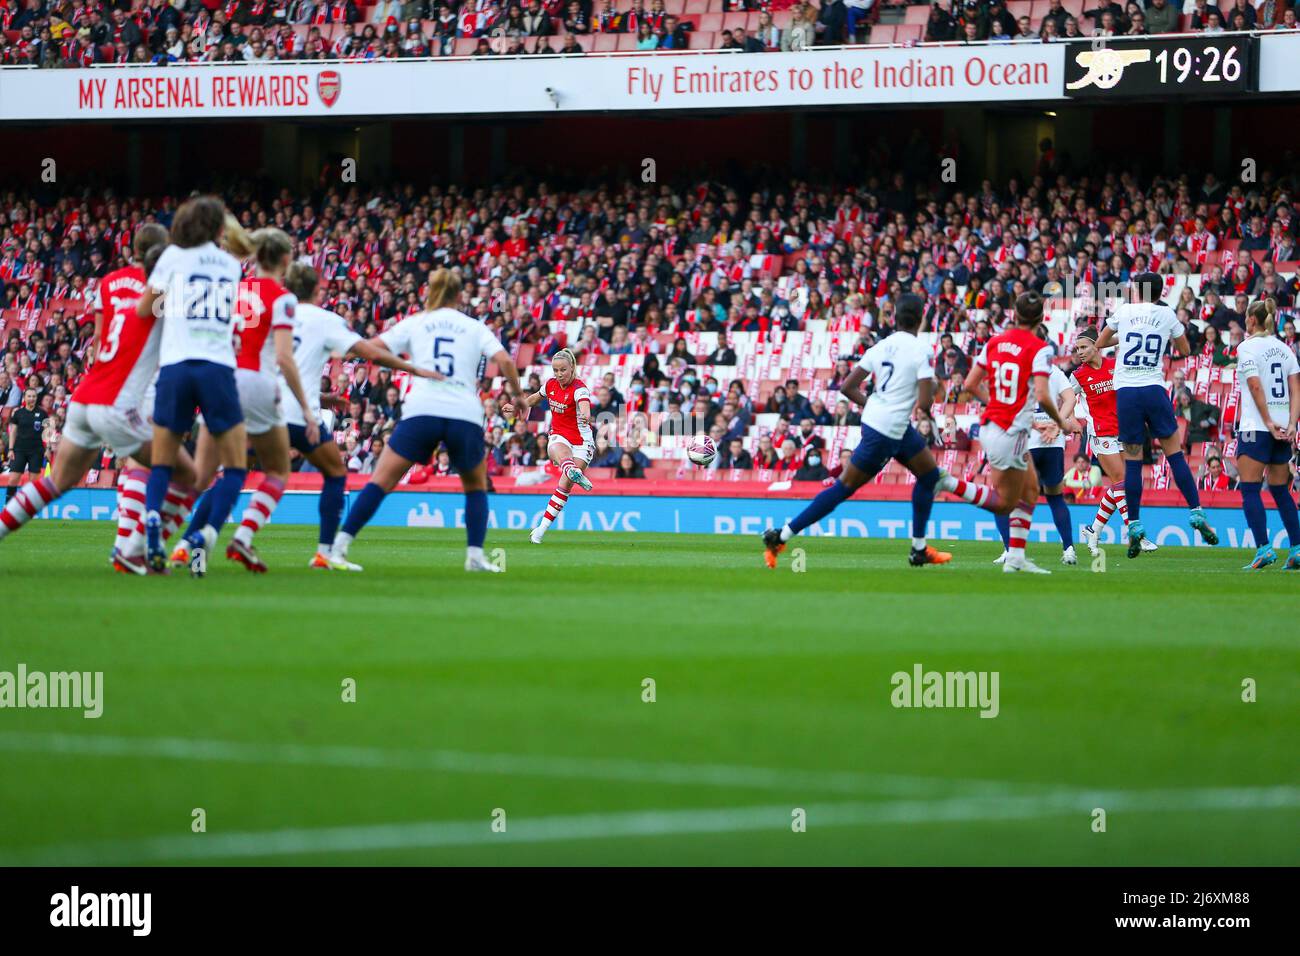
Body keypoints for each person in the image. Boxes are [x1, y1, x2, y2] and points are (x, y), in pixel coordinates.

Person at [0, 226, 198, 563]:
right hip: (122, 398)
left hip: (87, 392)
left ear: (134, 248)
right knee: (187, 474)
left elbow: (101, 338)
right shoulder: (164, 292)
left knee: (58, 481)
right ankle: (132, 549)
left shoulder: (109, 282)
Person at [327, 268, 522, 572]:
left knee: (381, 481)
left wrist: (343, 346)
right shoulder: (473, 326)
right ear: (460, 296)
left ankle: (338, 549)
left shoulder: (416, 323)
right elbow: (506, 361)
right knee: (475, 487)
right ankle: (474, 557)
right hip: (464, 412)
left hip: (423, 408)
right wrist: (519, 396)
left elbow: (370, 348)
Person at [762, 294, 954, 570]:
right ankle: (780, 536)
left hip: (886, 422)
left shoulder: (881, 346)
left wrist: (874, 403)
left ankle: (919, 549)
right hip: (886, 431)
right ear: (922, 317)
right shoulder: (921, 349)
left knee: (930, 475)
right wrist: (933, 388)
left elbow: (848, 387)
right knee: (844, 488)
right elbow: (924, 403)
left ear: (893, 318)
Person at [279, 262, 441, 569]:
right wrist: (413, 368)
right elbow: (372, 353)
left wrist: (322, 396)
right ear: (317, 290)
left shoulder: (273, 315)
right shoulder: (325, 320)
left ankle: (194, 539)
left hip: (261, 406)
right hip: (298, 414)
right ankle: (325, 552)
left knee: (233, 472)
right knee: (335, 474)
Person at [171, 228, 315, 573]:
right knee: (277, 469)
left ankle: (187, 549)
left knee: (205, 476)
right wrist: (307, 409)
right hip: (258, 384)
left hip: (220, 379)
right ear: (284, 260)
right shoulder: (283, 298)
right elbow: (283, 357)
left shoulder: (232, 288)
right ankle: (243, 537)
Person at [133, 197, 249, 574]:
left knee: (163, 463)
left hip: (176, 366)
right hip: (217, 368)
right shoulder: (232, 265)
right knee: (234, 469)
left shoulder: (170, 258)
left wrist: (172, 302)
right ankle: (206, 536)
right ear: (220, 229)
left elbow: (144, 309)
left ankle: (152, 519)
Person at [941, 292, 1076, 574]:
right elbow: (1042, 392)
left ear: (1014, 314)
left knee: (1029, 490)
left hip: (993, 425)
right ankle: (949, 483)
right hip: (1011, 432)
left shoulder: (994, 342)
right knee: (1005, 500)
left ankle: (1016, 557)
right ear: (1040, 318)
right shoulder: (1039, 348)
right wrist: (1060, 423)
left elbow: (969, 383)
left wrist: (997, 403)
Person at [1094, 272, 1218, 557]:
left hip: (1127, 393)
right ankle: (1196, 511)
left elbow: (1100, 343)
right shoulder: (1166, 313)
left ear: (1137, 289)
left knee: (1134, 461)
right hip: (1153, 387)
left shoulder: (1124, 311)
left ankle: (1135, 524)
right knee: (1174, 454)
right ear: (1160, 291)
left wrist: (1122, 340)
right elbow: (1185, 349)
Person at [1071, 326, 1156, 555]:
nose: (1079, 352)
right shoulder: (1078, 375)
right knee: (1121, 481)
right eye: (1077, 348)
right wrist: (1069, 420)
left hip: (1122, 431)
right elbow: (1066, 399)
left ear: (1096, 346)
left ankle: (1093, 529)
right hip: (1100, 434)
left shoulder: (1115, 366)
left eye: (1083, 347)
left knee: (1120, 484)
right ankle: (1136, 533)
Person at [995, 341, 1078, 565]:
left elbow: (1014, 408)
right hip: (1054, 443)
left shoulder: (1022, 372)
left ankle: (1009, 549)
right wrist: (1057, 424)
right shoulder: (1056, 372)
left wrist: (1036, 425)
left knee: (1004, 497)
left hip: (1028, 443)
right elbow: (1071, 398)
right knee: (1055, 498)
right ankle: (1069, 549)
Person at [1232, 298, 1300, 570]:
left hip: (1256, 427)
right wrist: (1293, 422)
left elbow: (1255, 387)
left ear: (1250, 320)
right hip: (1283, 427)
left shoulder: (1246, 348)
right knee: (1280, 491)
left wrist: (1268, 421)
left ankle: (1263, 549)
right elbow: (1296, 389)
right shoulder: (1285, 350)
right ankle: (1296, 549)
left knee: (1249, 489)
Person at [504, 348, 596, 544]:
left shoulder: (580, 389)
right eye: (555, 370)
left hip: (582, 442)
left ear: (572, 368)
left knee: (563, 487)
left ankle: (540, 530)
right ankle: (571, 469)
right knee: (557, 448)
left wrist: (585, 415)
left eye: (563, 370)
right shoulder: (551, 385)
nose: (559, 374)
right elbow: (535, 398)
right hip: (560, 435)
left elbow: (585, 407)